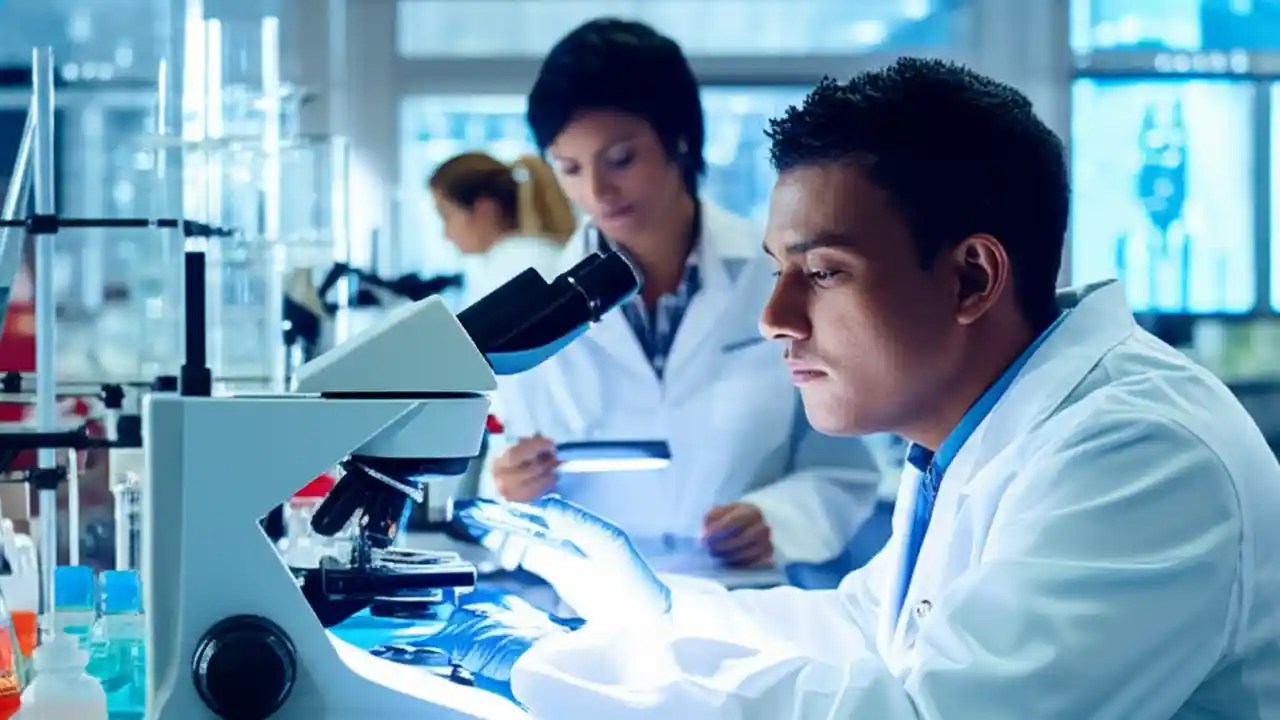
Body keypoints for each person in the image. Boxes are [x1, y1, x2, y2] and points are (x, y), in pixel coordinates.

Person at [423, 58, 1280, 717]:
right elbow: (870, 632)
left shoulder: (1137, 454)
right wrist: (655, 609)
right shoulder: (980, 434)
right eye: (776, 271)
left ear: (972, 278)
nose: (774, 318)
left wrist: (557, 670)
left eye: (823, 272)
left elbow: (925, 713)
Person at [486, 18, 882, 570]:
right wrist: (510, 488)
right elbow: (491, 498)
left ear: (679, 139)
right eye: (570, 169)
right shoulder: (532, 308)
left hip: (740, 598)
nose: (597, 192)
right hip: (584, 605)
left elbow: (844, 468)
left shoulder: (776, 278)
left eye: (620, 159)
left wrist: (780, 520)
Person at [428, 152, 576, 305]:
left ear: (484, 209)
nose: (446, 234)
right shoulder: (499, 264)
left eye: (446, 216)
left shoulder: (517, 269)